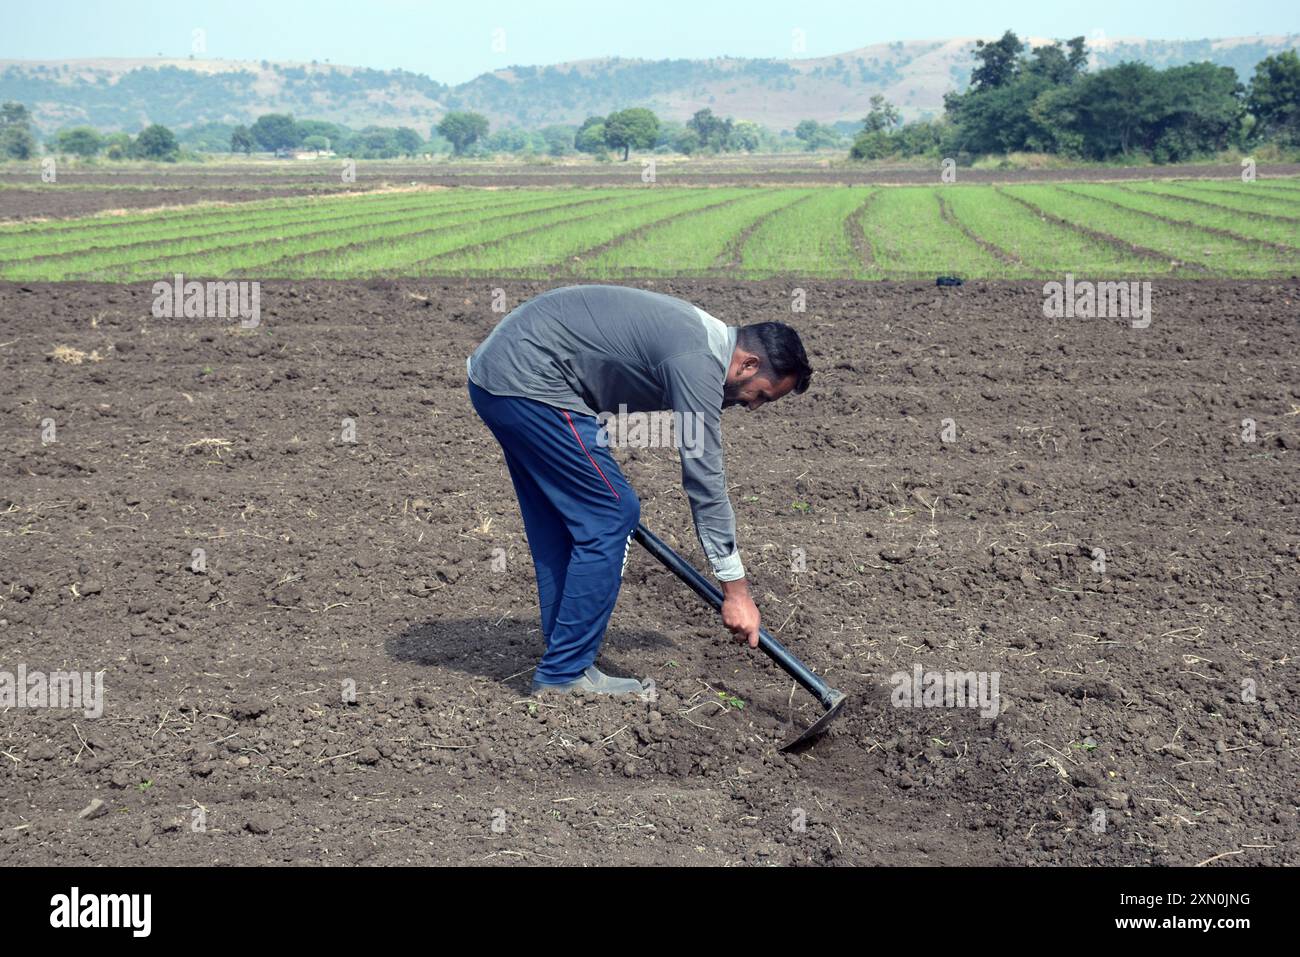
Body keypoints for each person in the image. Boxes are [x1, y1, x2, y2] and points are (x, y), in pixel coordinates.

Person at [466, 284, 812, 696]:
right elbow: (705, 478)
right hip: (529, 381)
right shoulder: (698, 360)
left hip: (499, 380)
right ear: (748, 364)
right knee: (612, 514)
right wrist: (736, 592)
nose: (753, 407)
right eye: (761, 396)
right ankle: (564, 673)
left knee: (568, 520)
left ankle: (566, 662)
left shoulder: (703, 340)